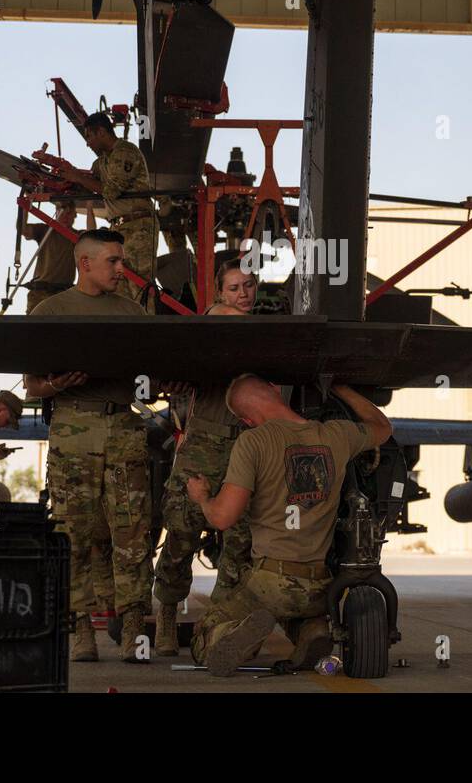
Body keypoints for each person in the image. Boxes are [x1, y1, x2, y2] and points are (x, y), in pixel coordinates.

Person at [186, 376, 392, 676]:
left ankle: (228, 635)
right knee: (294, 613)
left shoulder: (253, 441)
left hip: (271, 581)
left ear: (246, 419)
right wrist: (342, 388)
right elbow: (383, 427)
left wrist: (202, 497)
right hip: (320, 585)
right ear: (274, 390)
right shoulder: (337, 434)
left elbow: (222, 517)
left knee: (204, 634)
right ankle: (312, 629)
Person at [24, 228, 154, 663]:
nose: (122, 268)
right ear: (85, 264)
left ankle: (135, 627)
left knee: (132, 532)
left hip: (122, 428)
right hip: (72, 432)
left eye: (122, 261)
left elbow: (145, 384)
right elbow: (32, 387)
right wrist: (55, 384)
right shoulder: (50, 311)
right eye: (114, 261)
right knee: (72, 533)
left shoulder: (134, 313)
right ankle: (80, 629)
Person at [151, 260, 260, 655]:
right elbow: (215, 315)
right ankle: (166, 613)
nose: (243, 294)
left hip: (247, 448)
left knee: (239, 540)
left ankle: (218, 623)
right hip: (203, 444)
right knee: (182, 529)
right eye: (233, 288)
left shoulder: (268, 335)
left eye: (249, 286)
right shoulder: (215, 322)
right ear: (219, 294)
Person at [82, 113, 156, 301]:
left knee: (141, 288)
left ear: (101, 132)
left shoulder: (125, 152)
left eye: (89, 136)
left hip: (138, 226)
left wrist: (75, 177)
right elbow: (91, 179)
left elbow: (111, 191)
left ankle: (149, 329)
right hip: (119, 229)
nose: (87, 143)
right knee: (119, 290)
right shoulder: (104, 161)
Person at [23, 201, 79, 314]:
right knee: (33, 328)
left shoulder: (77, 236)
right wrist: (25, 207)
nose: (65, 216)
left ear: (75, 215)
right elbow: (23, 229)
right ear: (56, 212)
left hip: (64, 292)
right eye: (61, 212)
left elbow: (94, 237)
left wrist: (89, 207)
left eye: (69, 213)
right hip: (40, 291)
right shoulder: (46, 230)